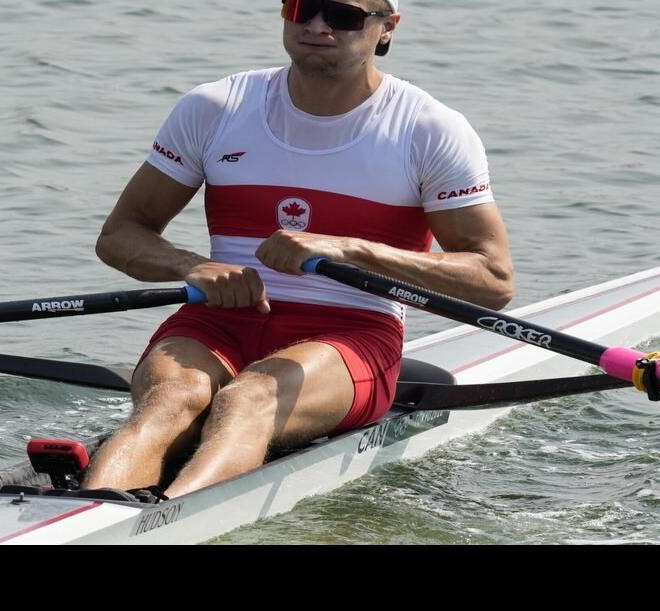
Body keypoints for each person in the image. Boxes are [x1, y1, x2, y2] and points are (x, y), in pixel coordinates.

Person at [81, 0, 515, 499]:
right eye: (301, 7)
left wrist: (352, 249)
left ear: (386, 29)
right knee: (171, 399)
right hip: (218, 318)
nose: (316, 25)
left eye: (342, 15)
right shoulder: (216, 107)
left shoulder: (430, 130)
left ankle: (166, 522)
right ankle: (93, 518)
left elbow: (493, 281)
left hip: (352, 332)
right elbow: (120, 236)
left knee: (248, 398)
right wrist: (193, 266)